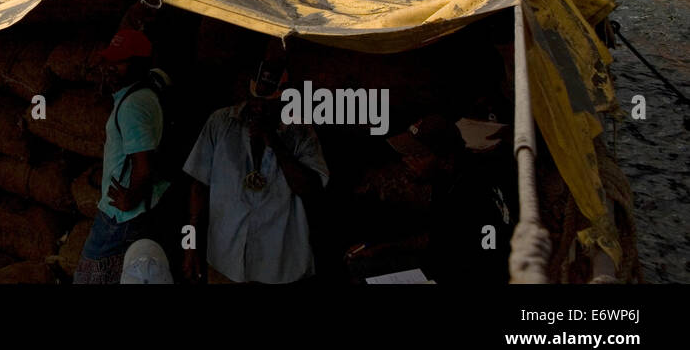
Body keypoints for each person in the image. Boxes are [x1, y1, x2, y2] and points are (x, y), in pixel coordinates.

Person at [182, 58, 328, 284]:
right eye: (254, 100)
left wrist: (274, 142)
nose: (259, 108)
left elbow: (311, 190)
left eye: (268, 103)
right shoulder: (221, 123)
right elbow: (198, 186)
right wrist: (189, 245)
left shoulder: (301, 133)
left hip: (280, 268)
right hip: (224, 263)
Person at [343, 114, 514, 284]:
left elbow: (488, 263)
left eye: (417, 155)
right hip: (444, 264)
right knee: (359, 266)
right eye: (407, 153)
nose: (406, 160)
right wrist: (381, 248)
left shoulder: (472, 196)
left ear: (445, 160)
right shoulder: (448, 177)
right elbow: (437, 237)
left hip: (469, 275)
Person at [72, 28, 171, 284]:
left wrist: (131, 198)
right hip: (134, 213)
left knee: (88, 278)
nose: (110, 67)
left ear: (139, 65)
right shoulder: (143, 93)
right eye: (109, 60)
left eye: (120, 61)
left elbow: (143, 164)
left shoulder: (133, 106)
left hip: (120, 217)